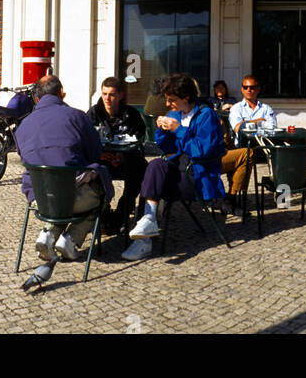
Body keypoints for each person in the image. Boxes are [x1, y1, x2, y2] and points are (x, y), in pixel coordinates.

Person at [122, 73, 227, 261]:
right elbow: (168, 148)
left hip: (199, 177)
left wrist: (178, 129)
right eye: (167, 100)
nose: (168, 104)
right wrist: (161, 131)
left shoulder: (206, 116)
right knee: (154, 166)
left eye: (172, 100)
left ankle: (144, 240)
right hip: (179, 171)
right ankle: (148, 222)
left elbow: (201, 152)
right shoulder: (175, 114)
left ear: (186, 97)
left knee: (153, 180)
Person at [16, 75, 114, 263]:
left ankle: (48, 234)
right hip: (73, 198)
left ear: (37, 99)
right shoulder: (77, 116)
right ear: (61, 93)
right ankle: (71, 239)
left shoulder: (22, 125)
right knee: (101, 193)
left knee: (60, 195)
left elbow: (24, 158)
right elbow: (95, 152)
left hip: (40, 200)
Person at [86, 76, 147, 232]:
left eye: (112, 94)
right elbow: (85, 142)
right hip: (102, 161)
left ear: (121, 95)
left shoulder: (131, 115)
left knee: (142, 169)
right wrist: (99, 156)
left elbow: (139, 140)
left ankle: (122, 213)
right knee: (91, 173)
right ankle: (103, 215)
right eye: (104, 93)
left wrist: (122, 156)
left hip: (126, 160)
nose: (107, 98)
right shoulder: (93, 114)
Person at [228, 75, 277, 148]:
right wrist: (260, 121)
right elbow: (237, 128)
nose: (248, 90)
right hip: (243, 148)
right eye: (245, 87)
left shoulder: (266, 108)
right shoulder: (236, 108)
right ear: (242, 89)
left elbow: (272, 127)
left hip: (264, 146)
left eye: (252, 87)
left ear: (258, 89)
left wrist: (245, 123)